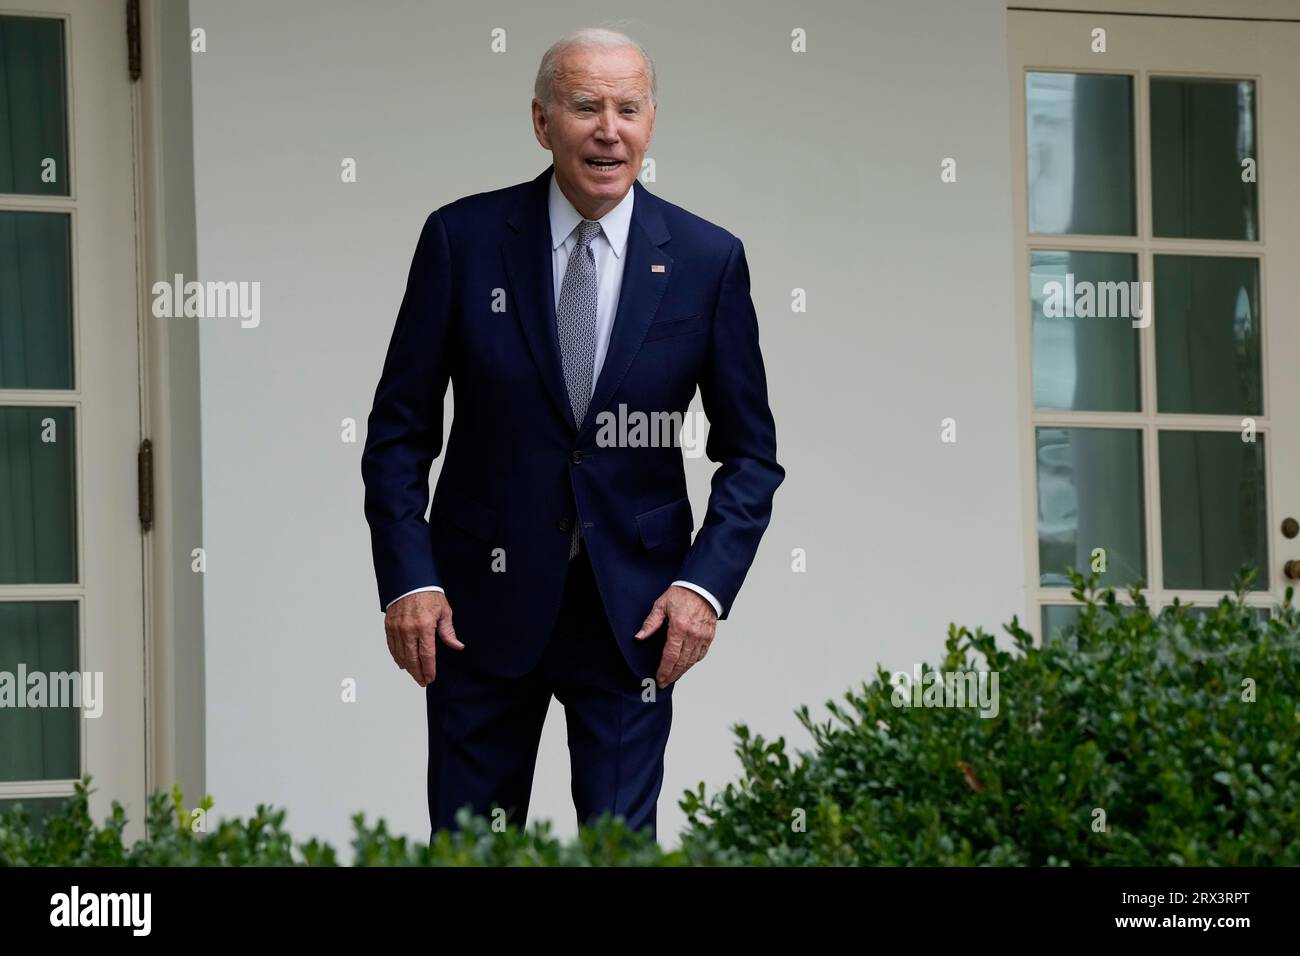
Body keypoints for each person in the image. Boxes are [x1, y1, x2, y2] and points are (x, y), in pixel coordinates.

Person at [360, 27, 783, 842]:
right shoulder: (462, 239)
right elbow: (399, 435)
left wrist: (702, 589)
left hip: (634, 619)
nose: (608, 128)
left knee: (618, 854)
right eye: (585, 106)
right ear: (541, 120)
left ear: (652, 124)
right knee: (470, 854)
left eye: (628, 108)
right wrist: (409, 580)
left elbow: (752, 455)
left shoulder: (706, 258)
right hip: (474, 614)